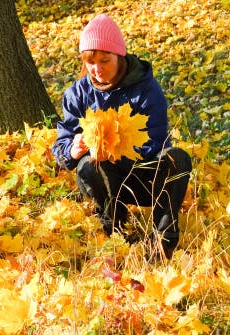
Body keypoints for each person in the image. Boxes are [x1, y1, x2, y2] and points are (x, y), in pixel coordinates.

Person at [52, 14, 192, 260]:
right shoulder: (77, 94)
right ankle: (115, 230)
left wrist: (120, 146)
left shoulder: (146, 89)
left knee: (177, 158)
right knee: (88, 164)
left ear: (119, 56)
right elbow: (62, 144)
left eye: (105, 60)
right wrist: (71, 151)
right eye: (90, 62)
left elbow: (158, 141)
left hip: (144, 178)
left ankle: (162, 242)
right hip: (105, 180)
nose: (97, 69)